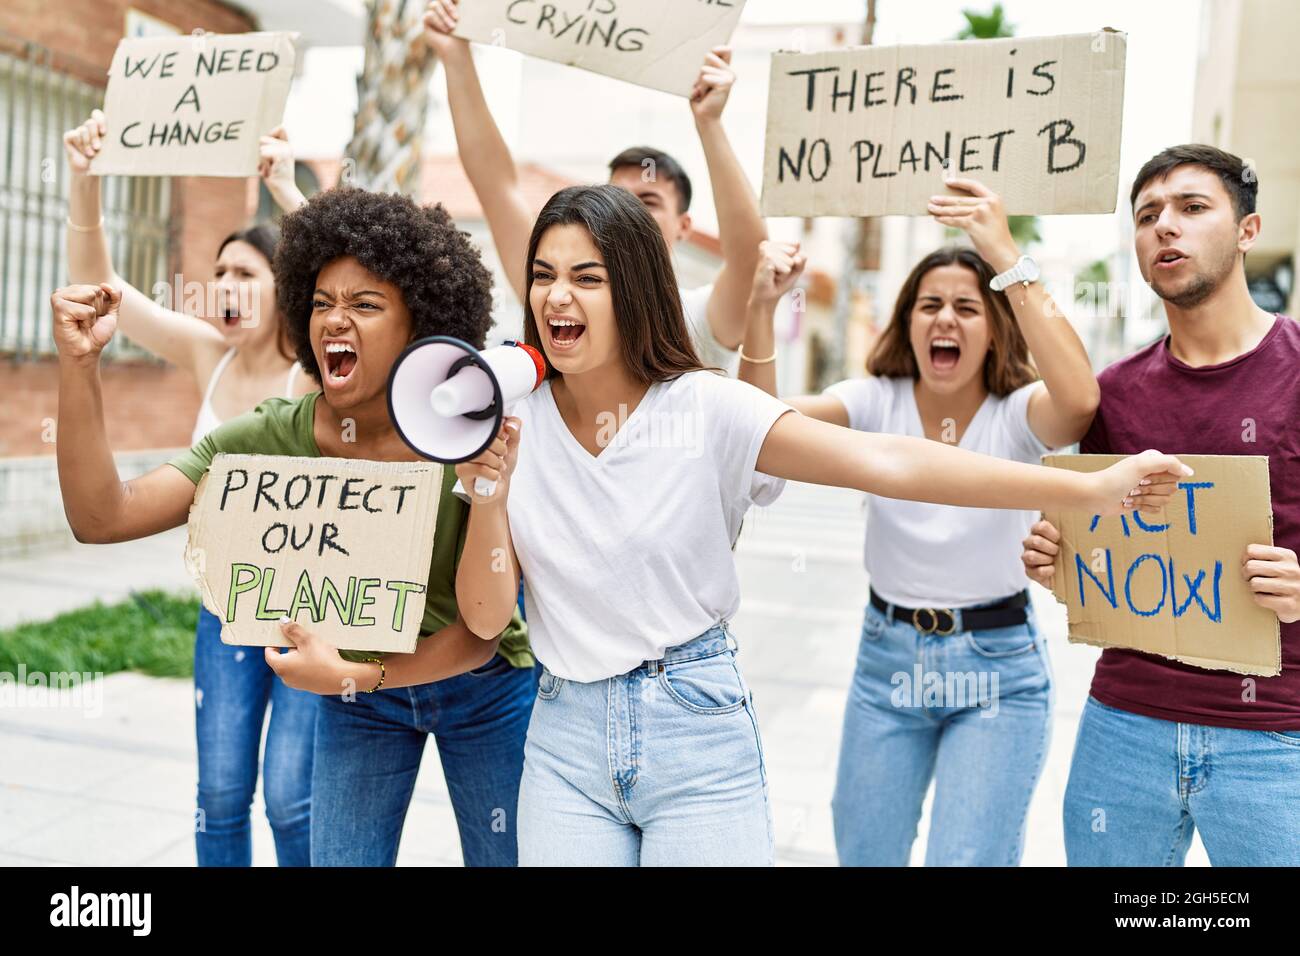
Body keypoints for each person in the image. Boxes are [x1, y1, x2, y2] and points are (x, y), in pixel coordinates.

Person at [438, 183, 1184, 866]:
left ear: (633, 289)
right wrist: (489, 496)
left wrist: (1093, 492)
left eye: (586, 277)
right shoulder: (506, 420)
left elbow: (890, 461)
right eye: (542, 275)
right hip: (564, 737)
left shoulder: (705, 406)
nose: (556, 296)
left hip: (694, 728)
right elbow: (485, 615)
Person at [50, 186, 536, 867]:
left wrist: (350, 676)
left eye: (365, 304)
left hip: (481, 691)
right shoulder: (266, 439)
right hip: (356, 695)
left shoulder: (467, 431)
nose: (336, 320)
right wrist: (79, 370)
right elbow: (102, 516)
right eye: (321, 303)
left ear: (421, 323)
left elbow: (479, 637)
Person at [742, 178, 1100, 865]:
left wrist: (1002, 253)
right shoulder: (876, 400)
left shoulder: (1016, 413)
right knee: (865, 851)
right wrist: (760, 307)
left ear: (994, 329)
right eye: (929, 304)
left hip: (999, 672)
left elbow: (1080, 401)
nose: (946, 319)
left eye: (968, 307)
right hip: (888, 660)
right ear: (907, 321)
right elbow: (759, 432)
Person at [1019, 145, 1300, 866]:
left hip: (1277, 733)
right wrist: (1060, 561)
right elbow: (1096, 536)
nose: (1165, 227)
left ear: (1247, 229)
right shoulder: (1110, 394)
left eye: (1192, 207)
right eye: (1147, 216)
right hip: (1124, 726)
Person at [64, 111, 316, 867]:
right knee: (218, 798)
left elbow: (354, 275)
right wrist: (83, 184)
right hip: (224, 611)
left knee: (291, 802)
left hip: (312, 613)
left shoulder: (318, 370)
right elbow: (103, 293)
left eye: (248, 274)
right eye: (220, 275)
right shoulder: (210, 354)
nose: (227, 288)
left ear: (287, 284)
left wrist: (284, 188)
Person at [421, 0, 767, 373]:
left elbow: (749, 258)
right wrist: (455, 56)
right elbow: (495, 185)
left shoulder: (699, 318)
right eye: (616, 197)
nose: (629, 212)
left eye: (648, 201)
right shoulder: (558, 295)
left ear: (683, 226)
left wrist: (710, 123)